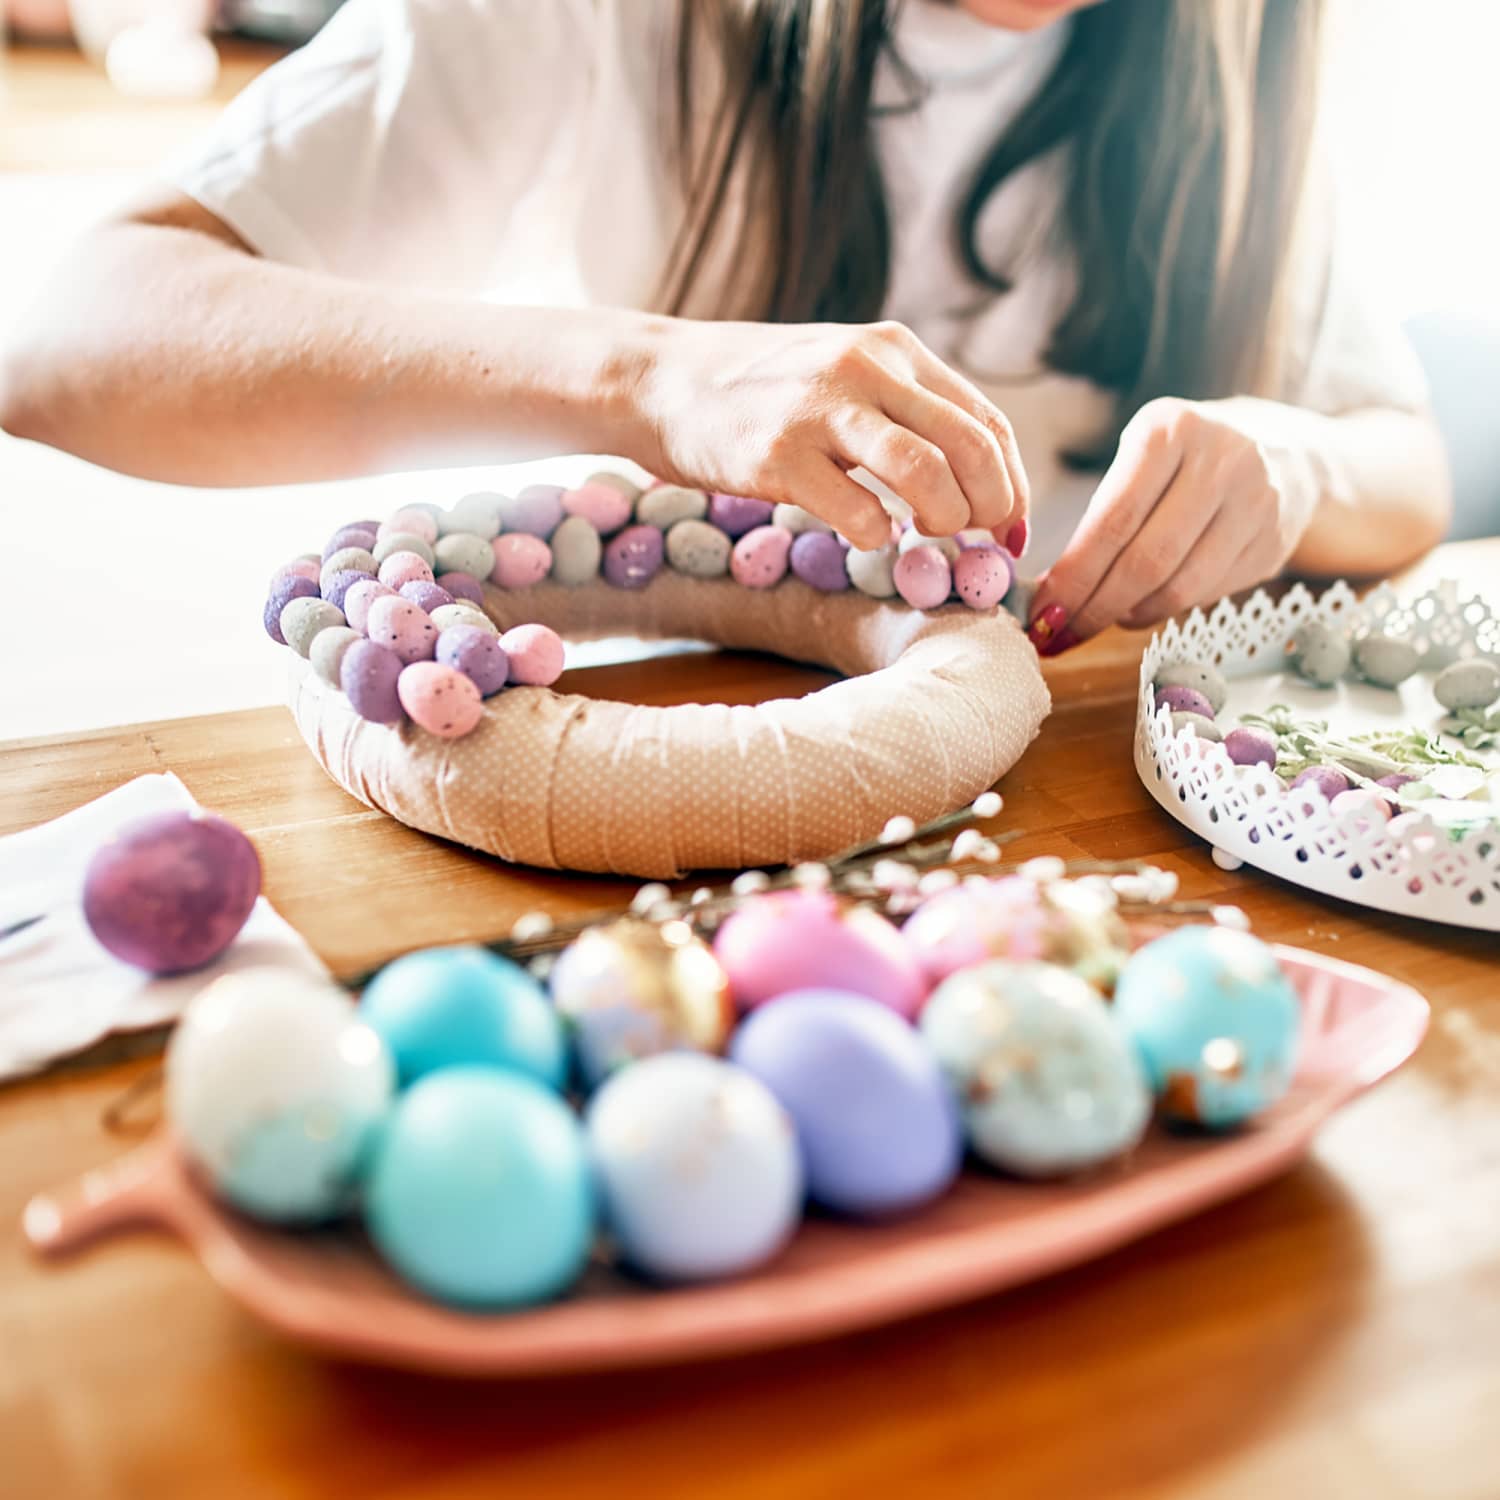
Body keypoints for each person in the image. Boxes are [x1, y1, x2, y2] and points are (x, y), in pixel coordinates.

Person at [0, 0, 1451, 653]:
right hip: (668, 791)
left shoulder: (1224, 55)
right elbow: (71, 342)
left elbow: (1404, 463)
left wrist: (1296, 465)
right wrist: (654, 374)